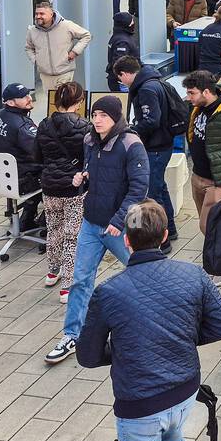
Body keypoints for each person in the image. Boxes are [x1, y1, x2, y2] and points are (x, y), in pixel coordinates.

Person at [76, 198, 221, 441]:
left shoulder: (108, 292)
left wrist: (124, 349)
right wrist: (182, 334)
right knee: (174, 439)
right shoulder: (194, 274)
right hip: (185, 391)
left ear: (126, 240)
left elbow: (87, 356)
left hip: (140, 406)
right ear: (164, 236)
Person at [45, 95, 149, 365]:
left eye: (104, 115)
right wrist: (83, 179)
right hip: (91, 224)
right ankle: (72, 335)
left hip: (122, 227)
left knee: (142, 275)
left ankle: (150, 329)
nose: (97, 120)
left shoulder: (131, 144)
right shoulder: (89, 140)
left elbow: (139, 188)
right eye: (94, 114)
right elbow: (93, 170)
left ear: (116, 118)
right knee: (80, 280)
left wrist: (118, 221)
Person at [114, 55, 180, 249]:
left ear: (125, 74)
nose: (122, 83)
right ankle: (172, 229)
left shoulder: (146, 89)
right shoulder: (153, 81)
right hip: (163, 144)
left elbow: (152, 120)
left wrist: (132, 130)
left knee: (153, 194)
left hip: (156, 147)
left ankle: (163, 241)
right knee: (161, 187)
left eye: (120, 79)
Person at [35, 80, 93, 301]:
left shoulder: (43, 124)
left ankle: (52, 271)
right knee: (72, 236)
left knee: (53, 229)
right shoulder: (85, 127)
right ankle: (68, 285)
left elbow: (36, 157)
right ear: (79, 102)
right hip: (74, 188)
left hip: (49, 185)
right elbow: (89, 160)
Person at [180, 69, 221, 225]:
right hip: (198, 177)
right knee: (208, 227)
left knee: (209, 226)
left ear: (206, 92)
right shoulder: (196, 107)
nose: (188, 98)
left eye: (192, 93)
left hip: (219, 182)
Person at [26, 1, 92, 109]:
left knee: (63, 99)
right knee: (52, 101)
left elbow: (86, 35)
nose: (38, 16)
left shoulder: (66, 25)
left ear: (51, 14)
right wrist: (36, 60)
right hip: (45, 74)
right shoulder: (32, 31)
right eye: (37, 14)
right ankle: (56, 122)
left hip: (64, 71)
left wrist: (75, 52)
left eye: (42, 14)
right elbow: (28, 48)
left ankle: (66, 121)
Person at [0, 83, 42, 212]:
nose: (29, 98)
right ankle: (43, 219)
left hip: (0, 174)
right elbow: (41, 150)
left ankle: (28, 216)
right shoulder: (22, 126)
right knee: (59, 172)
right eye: (23, 97)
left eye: (28, 94)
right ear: (11, 103)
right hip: (21, 180)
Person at [106, 12, 138, 90]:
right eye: (131, 21)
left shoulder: (119, 36)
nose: (133, 23)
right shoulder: (122, 41)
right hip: (123, 83)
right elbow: (120, 63)